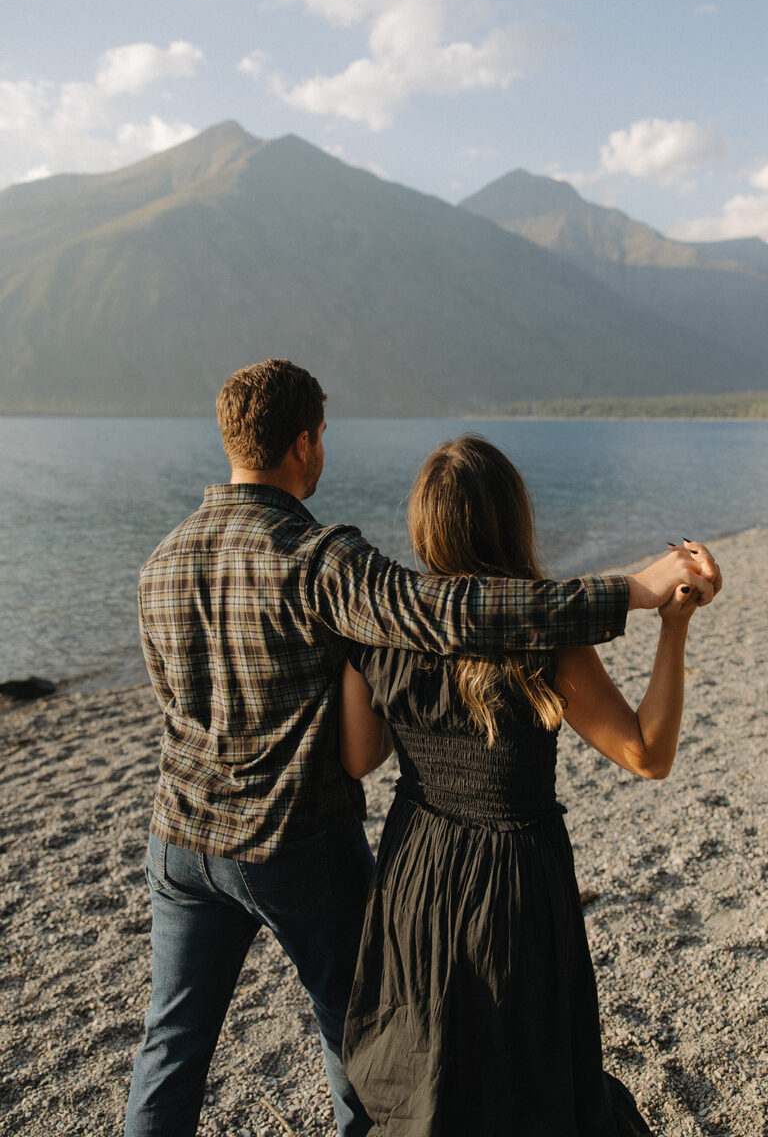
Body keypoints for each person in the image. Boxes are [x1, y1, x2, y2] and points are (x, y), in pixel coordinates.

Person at [124, 361, 716, 1137]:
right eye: (323, 438)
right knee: (360, 1033)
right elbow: (443, 609)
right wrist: (636, 599)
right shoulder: (317, 557)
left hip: (185, 838)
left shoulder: (162, 560)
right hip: (299, 842)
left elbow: (199, 706)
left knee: (173, 1042)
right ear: (305, 444)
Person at [340, 435, 721, 1136]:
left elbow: (360, 757)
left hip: (416, 865)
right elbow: (647, 755)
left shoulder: (381, 630)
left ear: (426, 524)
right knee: (527, 1070)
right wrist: (674, 630)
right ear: (514, 520)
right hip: (514, 875)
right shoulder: (548, 635)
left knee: (427, 1062)